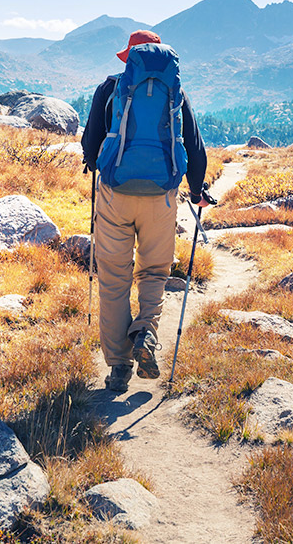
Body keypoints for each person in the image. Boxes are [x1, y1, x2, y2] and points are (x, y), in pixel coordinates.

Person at [81, 29, 209, 392]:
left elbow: (91, 142)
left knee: (114, 279)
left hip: (115, 194)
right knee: (153, 272)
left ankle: (119, 366)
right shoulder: (175, 92)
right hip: (161, 197)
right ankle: (146, 334)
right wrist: (197, 192)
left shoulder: (110, 88)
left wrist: (93, 161)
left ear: (129, 58)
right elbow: (194, 148)